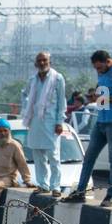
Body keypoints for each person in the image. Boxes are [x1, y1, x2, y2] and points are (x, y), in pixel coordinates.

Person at [63, 50, 112, 207]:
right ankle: (80, 191)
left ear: (108, 61)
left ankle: (110, 195)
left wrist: (110, 99)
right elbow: (103, 92)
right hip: (101, 120)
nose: (98, 71)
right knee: (89, 157)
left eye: (100, 68)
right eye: (96, 68)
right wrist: (97, 97)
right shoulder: (102, 73)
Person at [23, 52, 68, 193]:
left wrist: (60, 122)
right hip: (35, 122)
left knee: (53, 156)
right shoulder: (32, 80)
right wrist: (26, 111)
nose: (42, 63)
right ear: (36, 63)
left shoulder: (57, 79)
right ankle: (42, 185)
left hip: (51, 123)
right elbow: (25, 95)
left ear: (49, 62)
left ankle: (55, 186)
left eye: (45, 60)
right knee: (38, 154)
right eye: (39, 61)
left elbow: (62, 101)